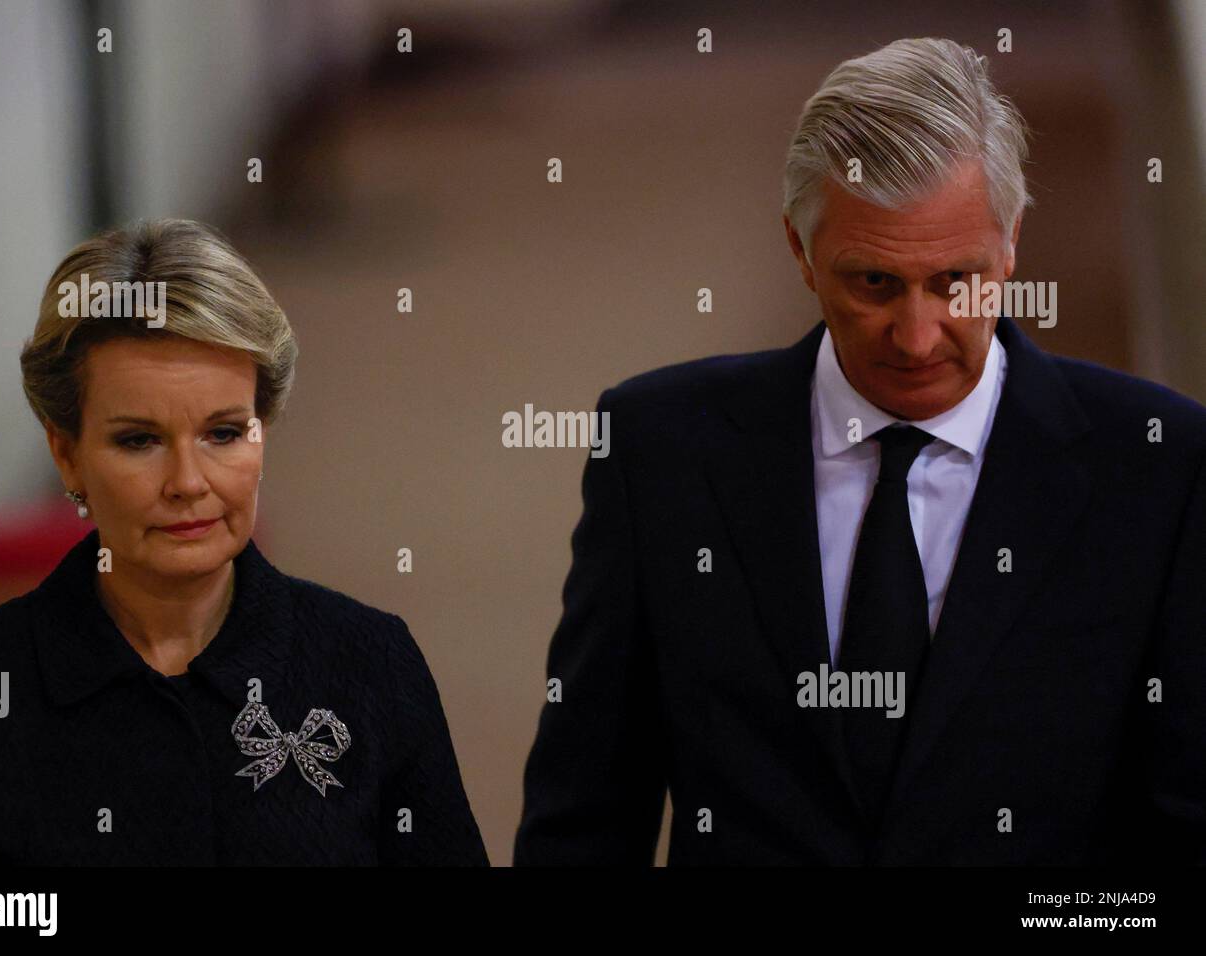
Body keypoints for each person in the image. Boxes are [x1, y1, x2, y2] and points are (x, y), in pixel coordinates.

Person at [514, 37, 1206, 865]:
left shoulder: (1159, 468)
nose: (916, 340)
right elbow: (583, 819)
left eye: (956, 281)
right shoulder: (659, 452)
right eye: (873, 283)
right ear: (800, 252)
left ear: (1013, 240)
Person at [0, 219, 488, 865]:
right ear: (67, 455)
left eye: (224, 434)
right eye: (139, 440)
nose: (188, 483)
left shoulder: (371, 662)